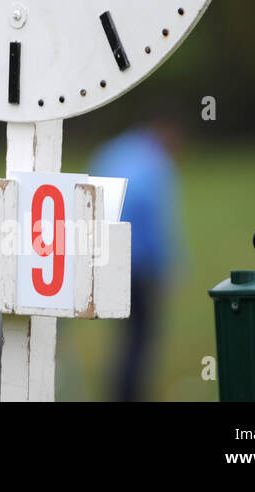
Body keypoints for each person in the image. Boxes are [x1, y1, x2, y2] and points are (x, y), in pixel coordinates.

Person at [87, 116, 185, 402]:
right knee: (140, 338)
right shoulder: (157, 163)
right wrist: (168, 266)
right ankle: (130, 395)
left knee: (122, 336)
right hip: (138, 263)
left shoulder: (111, 150)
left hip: (103, 252)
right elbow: (157, 219)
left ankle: (115, 390)